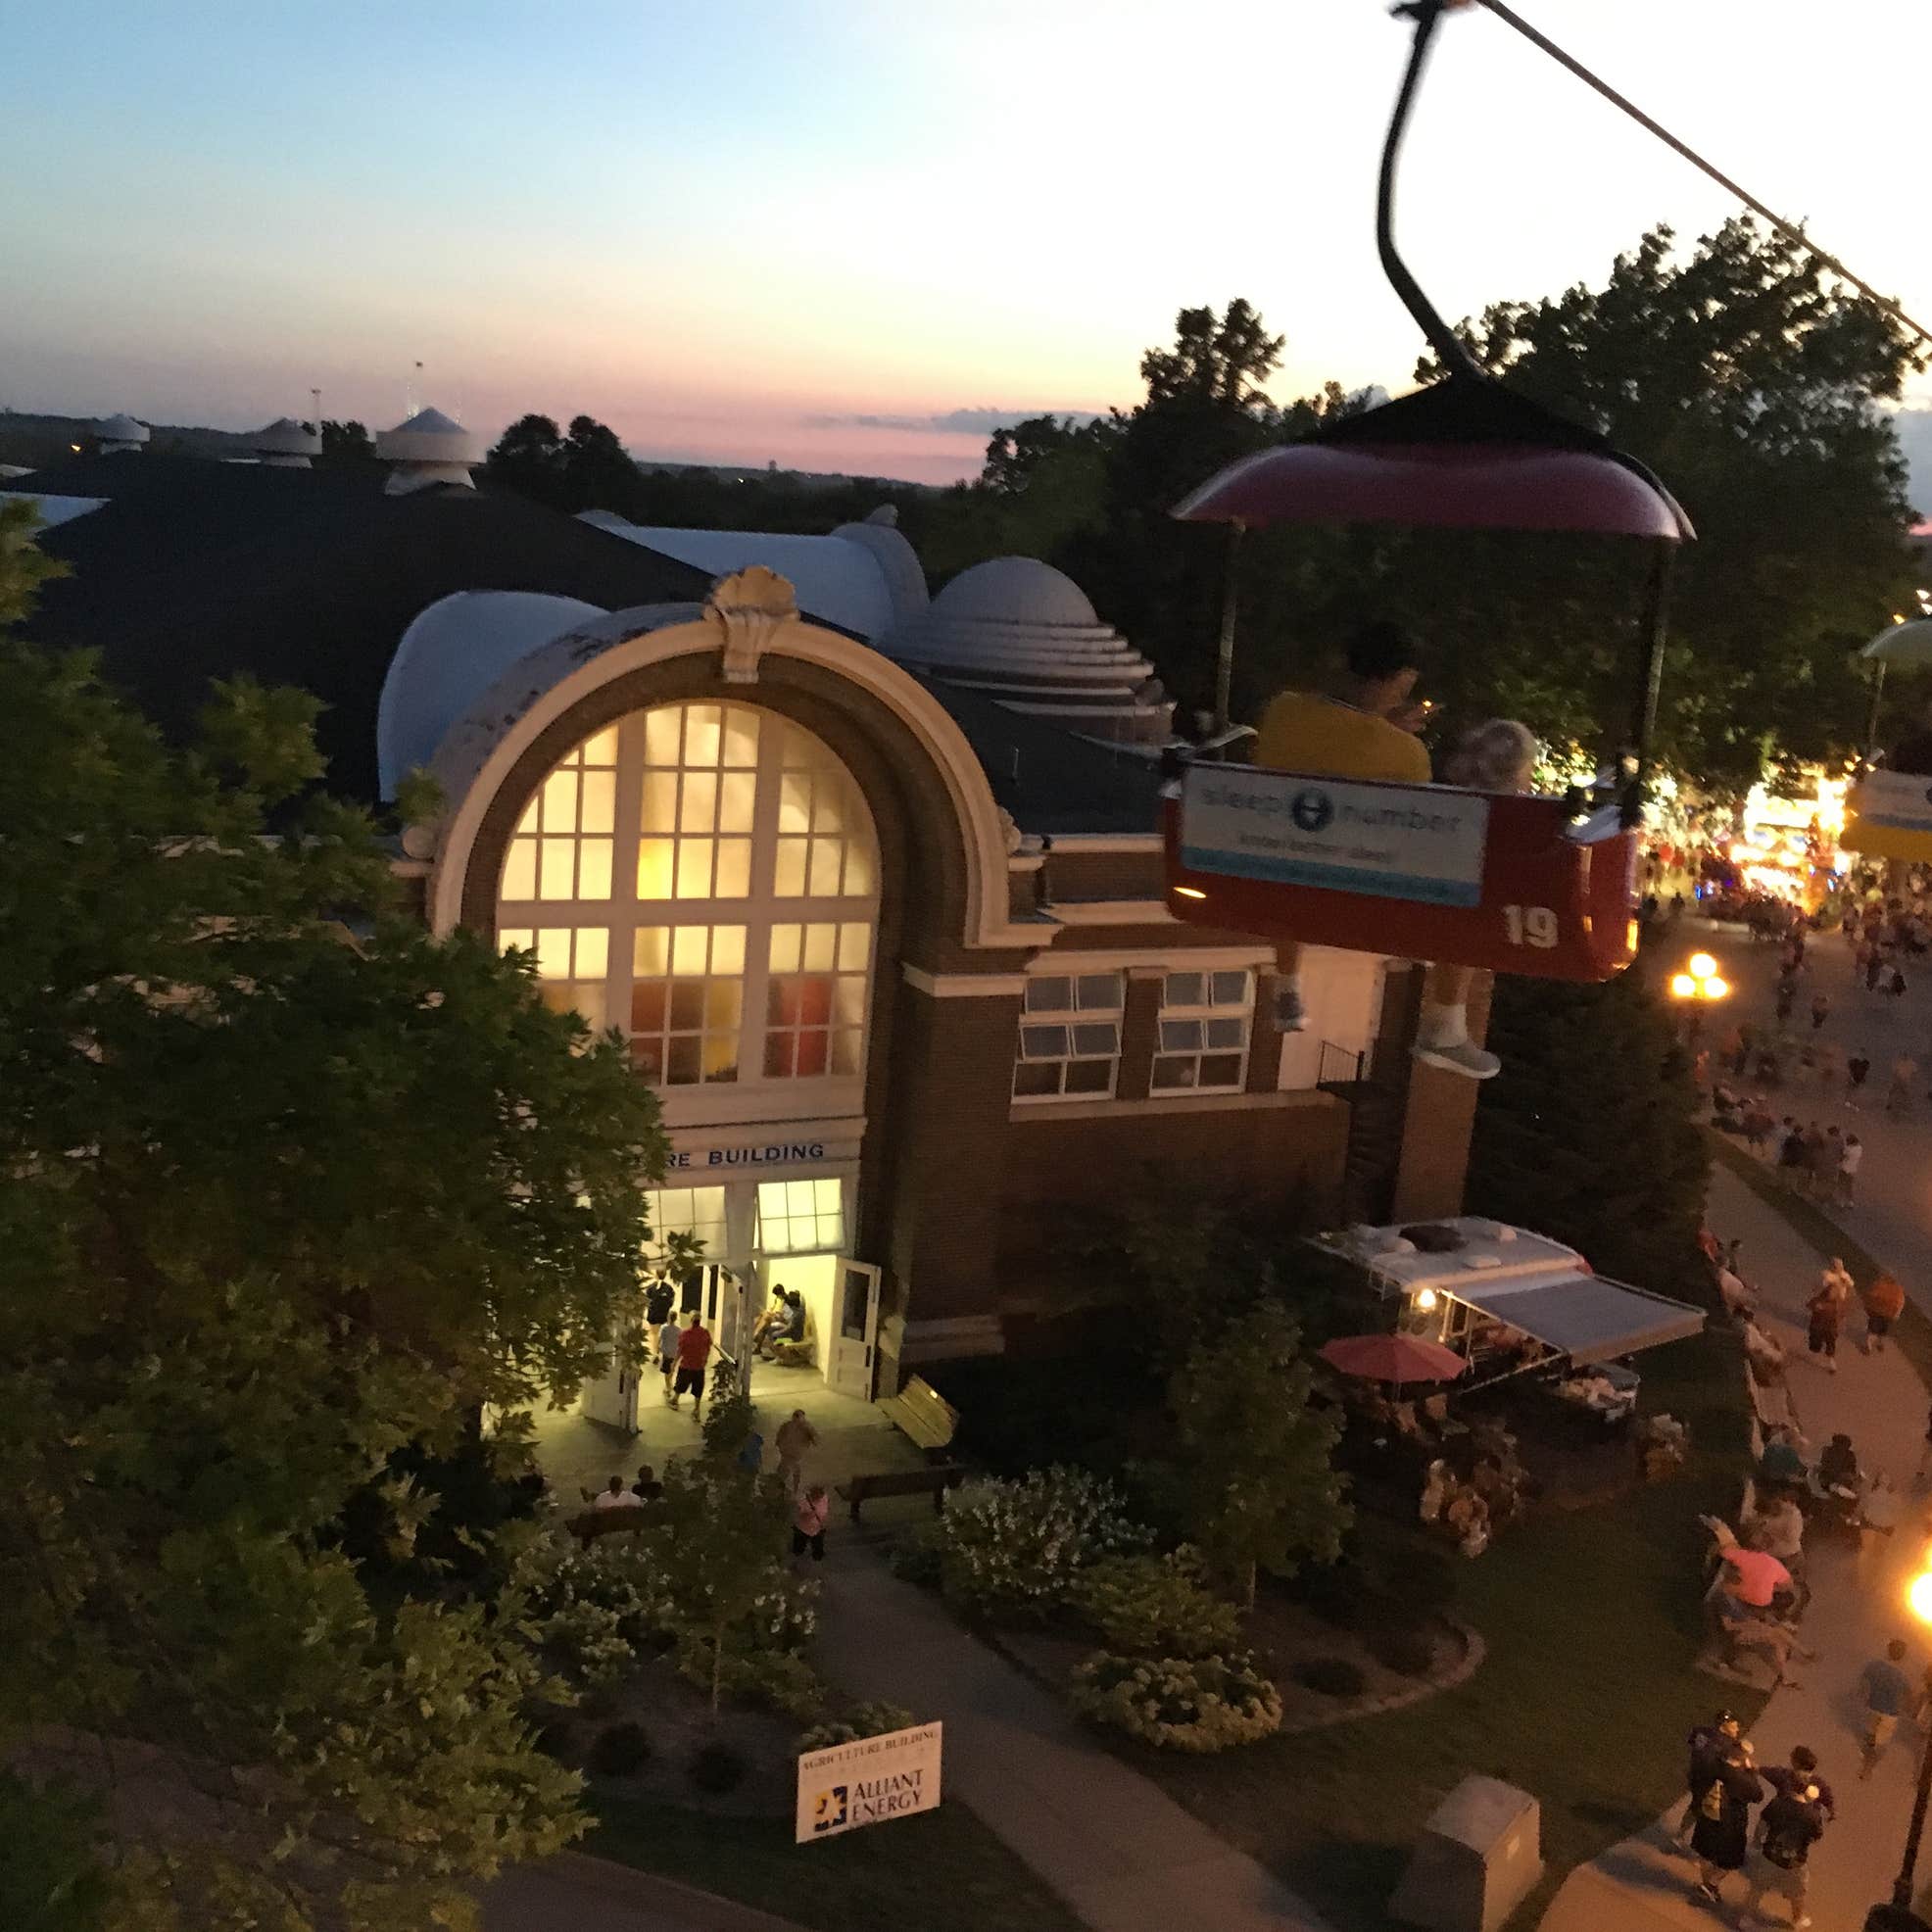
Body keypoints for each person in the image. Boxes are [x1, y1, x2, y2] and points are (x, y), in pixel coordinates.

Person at [1253, 621, 1431, 1038]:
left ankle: (1287, 981)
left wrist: (1386, 730)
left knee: (1297, 856)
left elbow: (1342, 741)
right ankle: (1446, 1020)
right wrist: (1394, 735)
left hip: (1276, 875)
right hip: (1355, 892)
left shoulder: (1282, 711)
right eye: (1401, 691)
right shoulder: (1407, 754)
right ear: (1389, 684)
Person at [1743, 1751, 1829, 1928]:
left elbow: (1762, 1824)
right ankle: (1798, 1920)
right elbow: (1816, 1836)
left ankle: (1746, 1919)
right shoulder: (1813, 1815)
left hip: (1770, 1855)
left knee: (1757, 1888)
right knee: (1797, 1893)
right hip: (1794, 1862)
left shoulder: (1778, 1803)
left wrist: (1757, 1842)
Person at [1688, 1733, 1764, 1910]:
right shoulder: (1742, 1779)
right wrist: (1751, 1772)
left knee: (1705, 1852)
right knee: (1732, 1860)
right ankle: (1711, 1885)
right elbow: (1758, 1795)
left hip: (1708, 1815)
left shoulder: (1713, 1765)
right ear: (1744, 1757)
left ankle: (1707, 1885)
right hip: (1730, 1823)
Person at [1675, 1711, 1745, 1848]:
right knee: (1708, 1812)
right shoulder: (1728, 1744)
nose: (1737, 1728)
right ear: (1725, 1724)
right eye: (1735, 1725)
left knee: (1696, 1805)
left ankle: (1680, 1834)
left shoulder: (1700, 1731)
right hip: (1709, 1782)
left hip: (1695, 1775)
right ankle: (1695, 1844)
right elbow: (1733, 1765)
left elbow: (1692, 1746)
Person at [1860, 1640, 1918, 1779]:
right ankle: (1868, 1767)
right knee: (1881, 1743)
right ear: (1903, 1655)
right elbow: (1908, 1695)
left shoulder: (1874, 1666)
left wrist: (1864, 1697)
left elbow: (1864, 1682)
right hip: (1891, 1714)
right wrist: (1912, 1711)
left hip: (1873, 1707)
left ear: (1888, 1650)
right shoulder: (1902, 1676)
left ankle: (1866, 1757)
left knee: (1870, 1735)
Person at [670, 1308, 713, 1415]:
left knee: (680, 1384)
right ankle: (696, 1409)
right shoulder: (705, 1333)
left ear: (691, 1320)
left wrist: (674, 1362)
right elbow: (708, 1346)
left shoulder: (686, 1334)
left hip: (686, 1365)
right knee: (698, 1389)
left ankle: (675, 1400)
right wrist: (705, 1359)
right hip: (699, 1366)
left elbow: (680, 1350)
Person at [774, 1408, 819, 1498]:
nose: (797, 1419)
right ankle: (781, 1488)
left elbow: (816, 1440)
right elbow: (779, 1437)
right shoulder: (787, 1425)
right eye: (796, 1417)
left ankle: (792, 1489)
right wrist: (780, 1446)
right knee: (785, 1470)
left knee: (793, 1471)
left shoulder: (806, 1427)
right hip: (787, 1453)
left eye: (799, 1417)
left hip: (796, 1455)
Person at [1862, 1270, 1906, 1353]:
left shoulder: (1879, 1285)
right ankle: (1877, 1344)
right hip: (1886, 1313)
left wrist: (1867, 1306)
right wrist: (1897, 1313)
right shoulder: (1897, 1289)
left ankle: (1870, 1346)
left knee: (1873, 1329)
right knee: (1882, 1330)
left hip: (1877, 1312)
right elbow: (1900, 1302)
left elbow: (1871, 1295)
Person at [793, 1482, 831, 1565]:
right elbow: (798, 1513)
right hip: (803, 1528)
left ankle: (817, 1561)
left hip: (817, 1529)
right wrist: (807, 1513)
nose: (818, 1496)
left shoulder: (824, 1499)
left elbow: (825, 1511)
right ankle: (797, 1561)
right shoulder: (804, 1501)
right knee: (799, 1548)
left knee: (818, 1548)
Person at [749, 1280, 790, 1350]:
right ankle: (754, 1335)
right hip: (774, 1315)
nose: (777, 1296)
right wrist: (770, 1310)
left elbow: (782, 1314)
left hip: (779, 1318)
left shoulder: (786, 1301)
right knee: (761, 1316)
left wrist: (773, 1313)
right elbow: (774, 1307)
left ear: (781, 1292)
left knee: (765, 1319)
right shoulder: (778, 1298)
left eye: (777, 1294)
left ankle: (754, 1335)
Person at [656, 1308, 682, 1405]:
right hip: (674, 1353)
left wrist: (657, 1351)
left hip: (666, 1352)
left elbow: (660, 1339)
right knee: (671, 1369)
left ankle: (669, 1387)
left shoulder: (664, 1328)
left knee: (666, 1371)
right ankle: (670, 1384)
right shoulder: (679, 1330)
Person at [1838, 1133, 1862, 1204]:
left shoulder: (1848, 1149)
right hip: (1853, 1170)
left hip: (1844, 1169)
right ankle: (1850, 1202)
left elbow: (1843, 1155)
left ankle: (1841, 1202)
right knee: (1849, 1186)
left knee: (1841, 1185)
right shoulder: (1859, 1148)